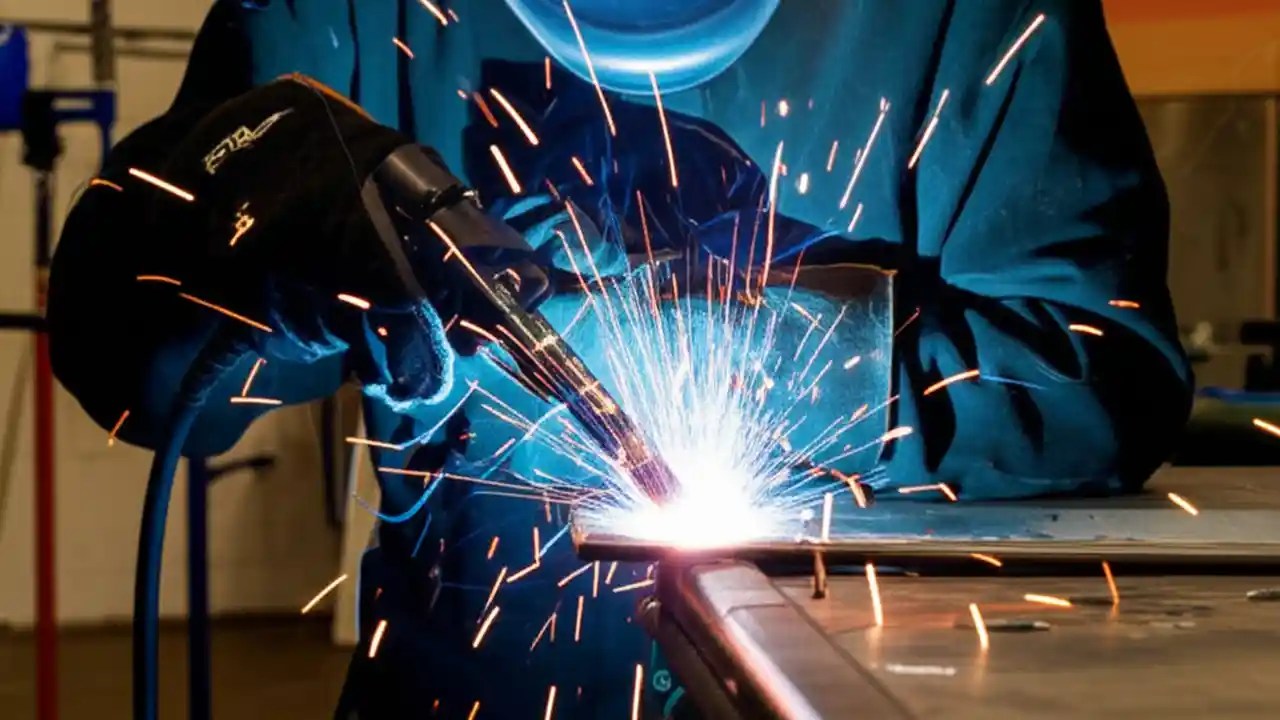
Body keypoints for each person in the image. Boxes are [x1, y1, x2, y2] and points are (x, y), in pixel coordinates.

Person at [48, 0, 1192, 717]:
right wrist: (255, 272)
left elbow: (1106, 376)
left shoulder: (972, 16)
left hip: (856, 686)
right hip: (464, 697)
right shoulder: (347, 12)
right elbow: (136, 377)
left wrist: (743, 355)